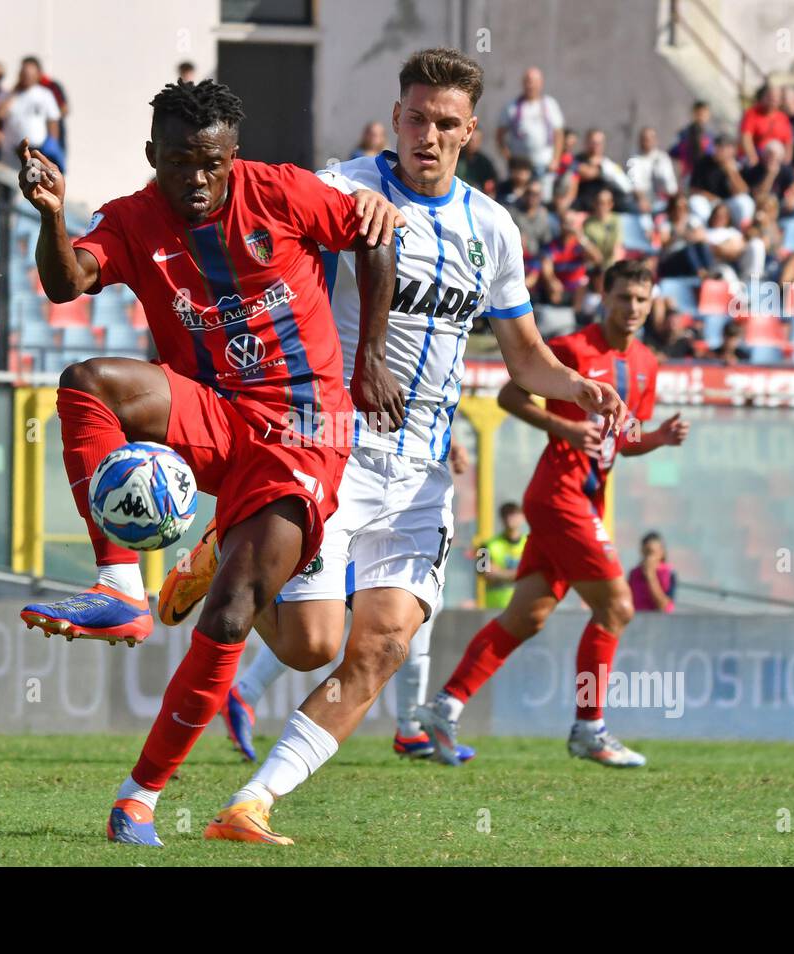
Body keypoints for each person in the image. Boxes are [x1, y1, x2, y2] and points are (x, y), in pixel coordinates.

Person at [166, 50, 625, 844]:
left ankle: (251, 804)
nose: (429, 135)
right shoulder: (343, 189)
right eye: (417, 118)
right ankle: (228, 549)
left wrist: (575, 386)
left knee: (379, 649)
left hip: (419, 478)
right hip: (330, 451)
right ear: (398, 116)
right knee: (311, 646)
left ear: (470, 132)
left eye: (446, 124)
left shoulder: (493, 228)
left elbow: (523, 357)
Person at [16, 78, 408, 847]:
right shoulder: (135, 217)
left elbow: (377, 236)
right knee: (86, 384)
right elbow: (67, 283)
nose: (196, 181)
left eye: (212, 164)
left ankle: (138, 799)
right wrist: (53, 215)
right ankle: (121, 587)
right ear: (151, 156)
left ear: (234, 156)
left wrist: (370, 358)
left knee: (249, 619)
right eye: (178, 163)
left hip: (302, 429)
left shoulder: (284, 194)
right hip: (212, 411)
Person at [415, 260, 687, 768]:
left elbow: (623, 443)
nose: (632, 308)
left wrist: (657, 439)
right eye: (624, 297)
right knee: (618, 607)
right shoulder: (573, 350)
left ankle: (444, 707)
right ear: (603, 297)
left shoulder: (647, 364)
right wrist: (561, 429)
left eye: (642, 300)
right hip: (558, 493)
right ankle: (590, 728)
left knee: (527, 616)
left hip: (582, 500)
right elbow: (510, 395)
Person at [497, 66, 564, 192]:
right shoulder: (512, 107)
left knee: (542, 198)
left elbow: (559, 134)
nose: (530, 85)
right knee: (518, 199)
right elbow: (500, 135)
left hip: (544, 165)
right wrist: (508, 158)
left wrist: (555, 160)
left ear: (541, 83)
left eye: (534, 81)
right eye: (527, 81)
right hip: (520, 168)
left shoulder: (550, 104)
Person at [0, 57, 62, 168]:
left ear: (38, 75)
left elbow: (53, 122)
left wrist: (52, 145)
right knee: (10, 183)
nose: (26, 77)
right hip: (11, 152)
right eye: (24, 73)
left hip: (35, 152)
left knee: (32, 183)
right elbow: (0, 114)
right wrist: (13, 93)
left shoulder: (45, 94)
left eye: (30, 74)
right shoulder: (8, 94)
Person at [690, 134, 751, 226]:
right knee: (695, 201)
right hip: (709, 202)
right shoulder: (703, 163)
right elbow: (695, 189)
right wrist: (715, 199)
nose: (721, 150)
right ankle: (704, 229)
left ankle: (743, 230)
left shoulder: (738, 165)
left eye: (726, 147)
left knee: (745, 201)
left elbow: (743, 191)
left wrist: (731, 172)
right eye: (719, 146)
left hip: (728, 204)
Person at [480, 503, 528, 609]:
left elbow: (533, 574)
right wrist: (520, 573)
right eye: (505, 515)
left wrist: (499, 573)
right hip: (495, 608)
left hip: (524, 607)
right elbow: (483, 573)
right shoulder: (486, 545)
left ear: (522, 517)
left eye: (513, 514)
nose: (509, 518)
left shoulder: (531, 544)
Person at [626, 126, 678, 213]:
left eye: (651, 138)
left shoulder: (663, 157)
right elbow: (634, 184)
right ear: (640, 141)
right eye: (645, 139)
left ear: (655, 140)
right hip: (641, 203)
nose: (648, 142)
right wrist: (642, 200)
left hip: (663, 202)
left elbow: (671, 186)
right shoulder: (633, 159)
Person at [738, 83, 792, 163]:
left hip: (775, 160)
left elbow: (788, 142)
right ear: (763, 97)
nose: (773, 99)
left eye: (777, 97)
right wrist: (753, 158)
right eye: (770, 96)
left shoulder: (783, 117)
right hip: (757, 157)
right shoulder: (752, 114)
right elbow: (746, 138)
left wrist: (787, 161)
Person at [628, 532, 675, 612]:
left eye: (651, 553)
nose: (648, 558)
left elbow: (663, 606)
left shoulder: (669, 574)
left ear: (661, 553)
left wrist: (651, 576)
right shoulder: (634, 574)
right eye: (646, 553)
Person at [670, 100, 716, 182]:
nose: (701, 117)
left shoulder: (711, 136)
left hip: (706, 174)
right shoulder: (684, 134)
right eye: (699, 114)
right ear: (693, 114)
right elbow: (673, 152)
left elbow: (712, 154)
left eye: (704, 114)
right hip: (688, 174)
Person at [455, 124, 499, 195]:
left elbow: (490, 185)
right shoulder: (455, 158)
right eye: (471, 140)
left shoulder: (485, 163)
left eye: (476, 141)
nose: (472, 143)